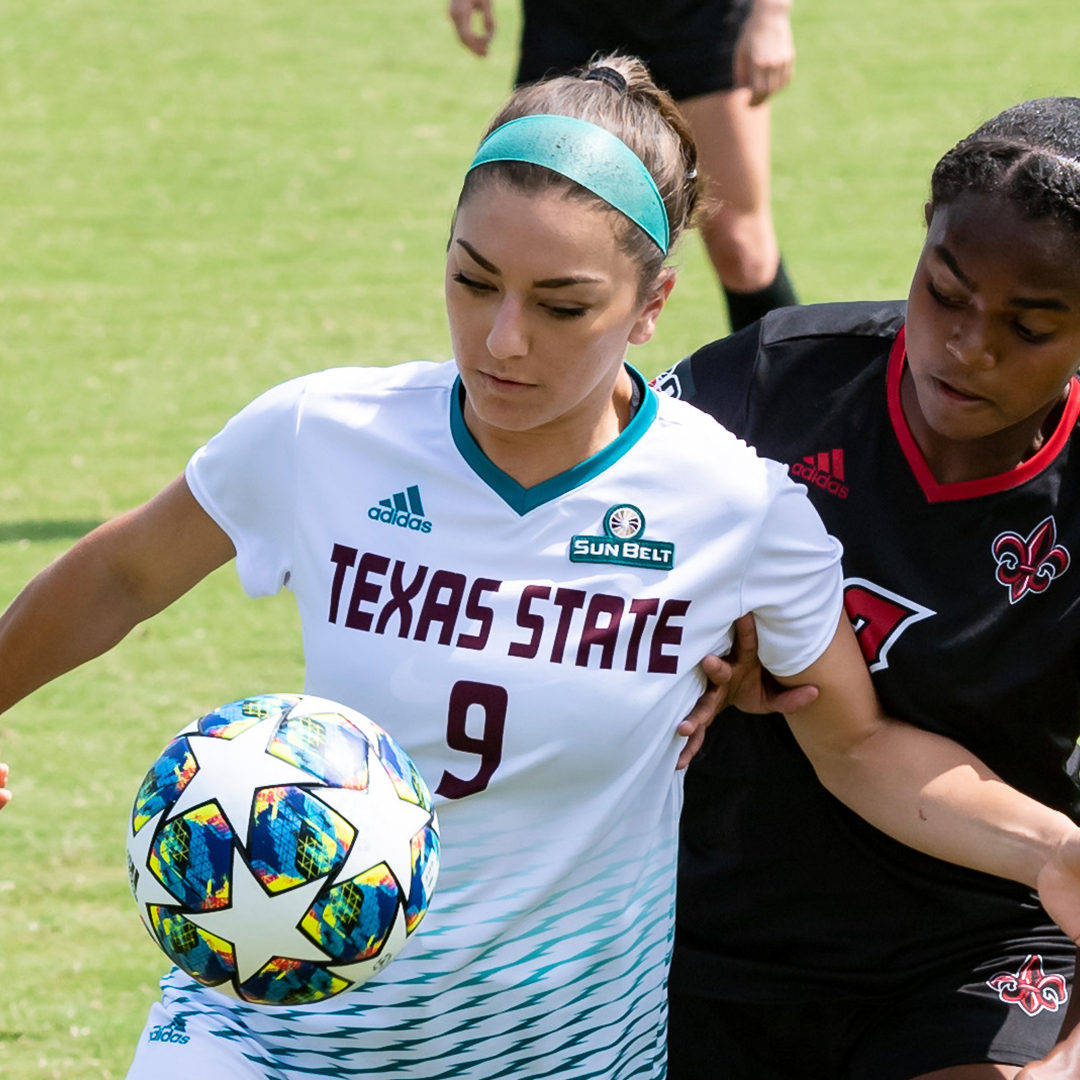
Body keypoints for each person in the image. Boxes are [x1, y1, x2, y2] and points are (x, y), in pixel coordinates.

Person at [3, 61, 1080, 1080]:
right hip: (268, 1026)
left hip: (557, 1047)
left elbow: (854, 747)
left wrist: (1049, 850)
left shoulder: (739, 510)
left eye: (562, 306)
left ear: (653, 306)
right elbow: (125, 577)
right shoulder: (320, 431)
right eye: (473, 282)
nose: (502, 341)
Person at [659, 96, 1080, 1080]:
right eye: (947, 292)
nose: (970, 345)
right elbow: (566, 572)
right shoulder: (764, 384)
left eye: (1031, 326)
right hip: (709, 931)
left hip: (977, 943)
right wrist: (674, 647)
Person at [448, 0, 799, 332]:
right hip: (567, 15)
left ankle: (789, 390)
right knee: (538, 224)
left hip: (701, 16)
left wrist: (771, 15)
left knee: (740, 248)